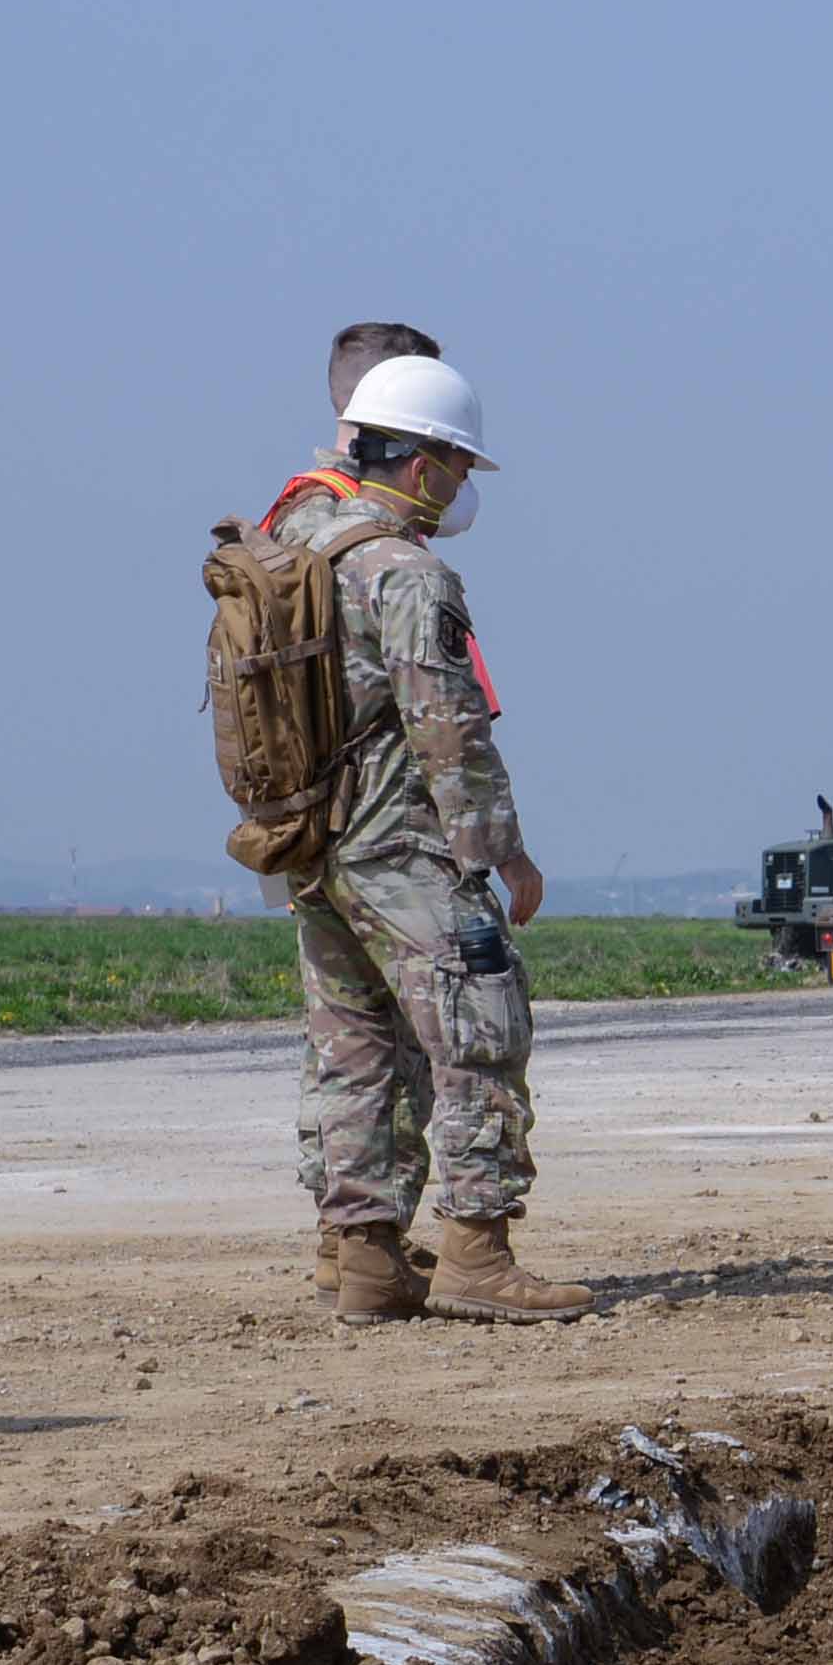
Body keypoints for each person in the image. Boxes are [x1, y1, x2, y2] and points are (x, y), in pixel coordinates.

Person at [256, 350, 591, 1320]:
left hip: (312, 841)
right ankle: (478, 1254)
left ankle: (361, 1258)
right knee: (483, 1026)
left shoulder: (296, 536)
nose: (458, 487)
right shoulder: (405, 572)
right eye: (457, 466)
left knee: (354, 1045)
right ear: (424, 463)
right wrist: (503, 854)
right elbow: (450, 730)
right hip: (399, 844)